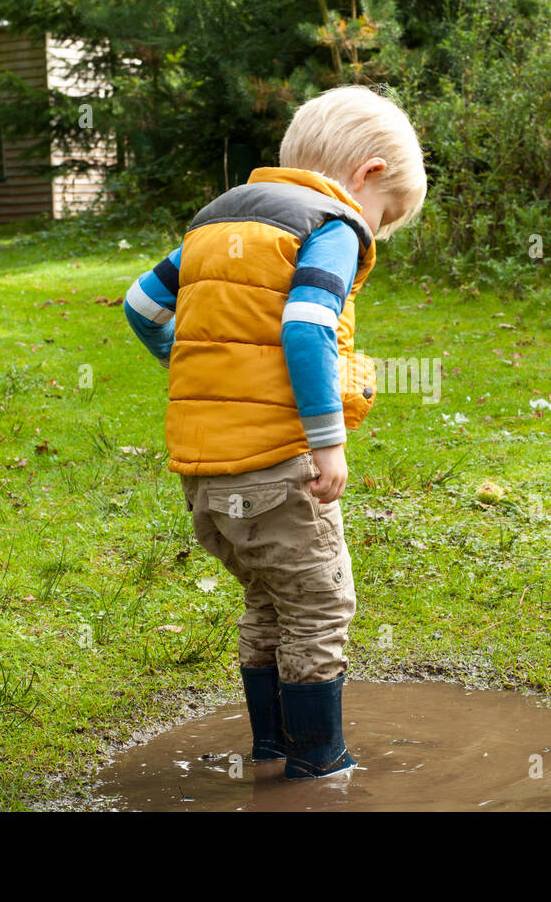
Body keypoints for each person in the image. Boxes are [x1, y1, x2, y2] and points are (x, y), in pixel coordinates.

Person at [123, 85, 427, 778]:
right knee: (319, 604)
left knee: (266, 597)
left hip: (204, 478)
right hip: (275, 468)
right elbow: (307, 326)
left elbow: (142, 306)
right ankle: (320, 764)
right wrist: (328, 441)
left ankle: (268, 749)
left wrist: (201, 364)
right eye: (382, 221)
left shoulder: (214, 221)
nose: (371, 233)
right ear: (367, 176)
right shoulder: (332, 224)